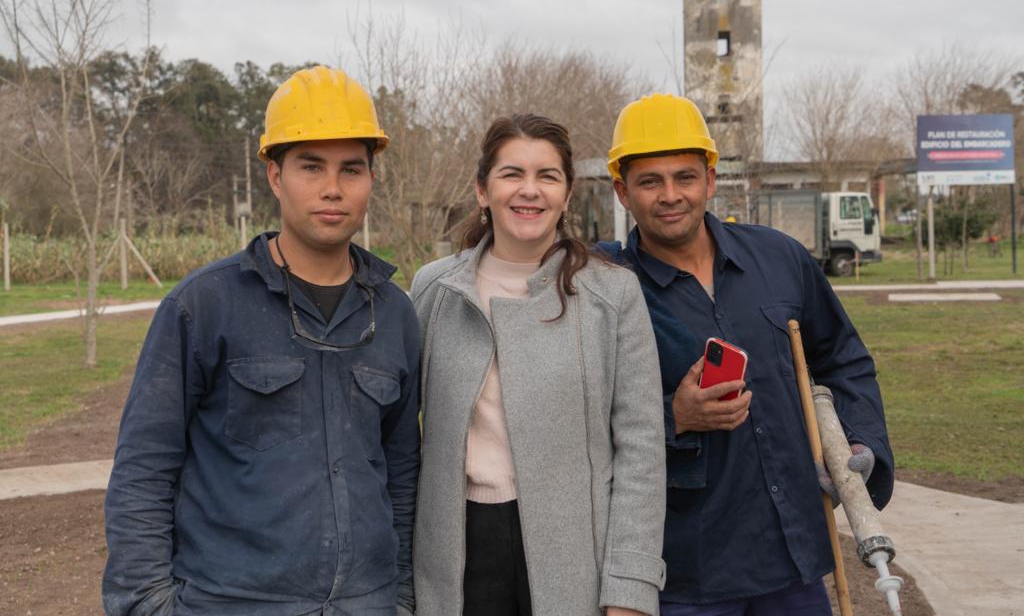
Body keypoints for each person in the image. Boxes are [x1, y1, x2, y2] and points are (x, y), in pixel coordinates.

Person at [103, 66, 420, 616]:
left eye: (352, 168)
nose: (332, 188)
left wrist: (403, 599)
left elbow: (403, 475)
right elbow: (143, 470)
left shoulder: (394, 315)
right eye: (310, 166)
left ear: (372, 178)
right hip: (230, 602)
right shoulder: (204, 305)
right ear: (274, 176)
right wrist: (147, 604)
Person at [599, 94, 894, 616]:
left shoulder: (778, 257)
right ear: (623, 191)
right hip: (685, 570)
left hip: (792, 556)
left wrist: (859, 440)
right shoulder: (604, 285)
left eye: (685, 177)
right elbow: (578, 416)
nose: (671, 195)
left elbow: (843, 360)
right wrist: (674, 417)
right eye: (650, 181)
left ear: (710, 180)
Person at [410, 114, 667, 616]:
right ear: (482, 190)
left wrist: (629, 589)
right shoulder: (433, 290)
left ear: (567, 194)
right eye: (511, 174)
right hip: (456, 557)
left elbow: (641, 448)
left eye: (547, 176)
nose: (529, 191)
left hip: (575, 564)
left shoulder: (612, 294)